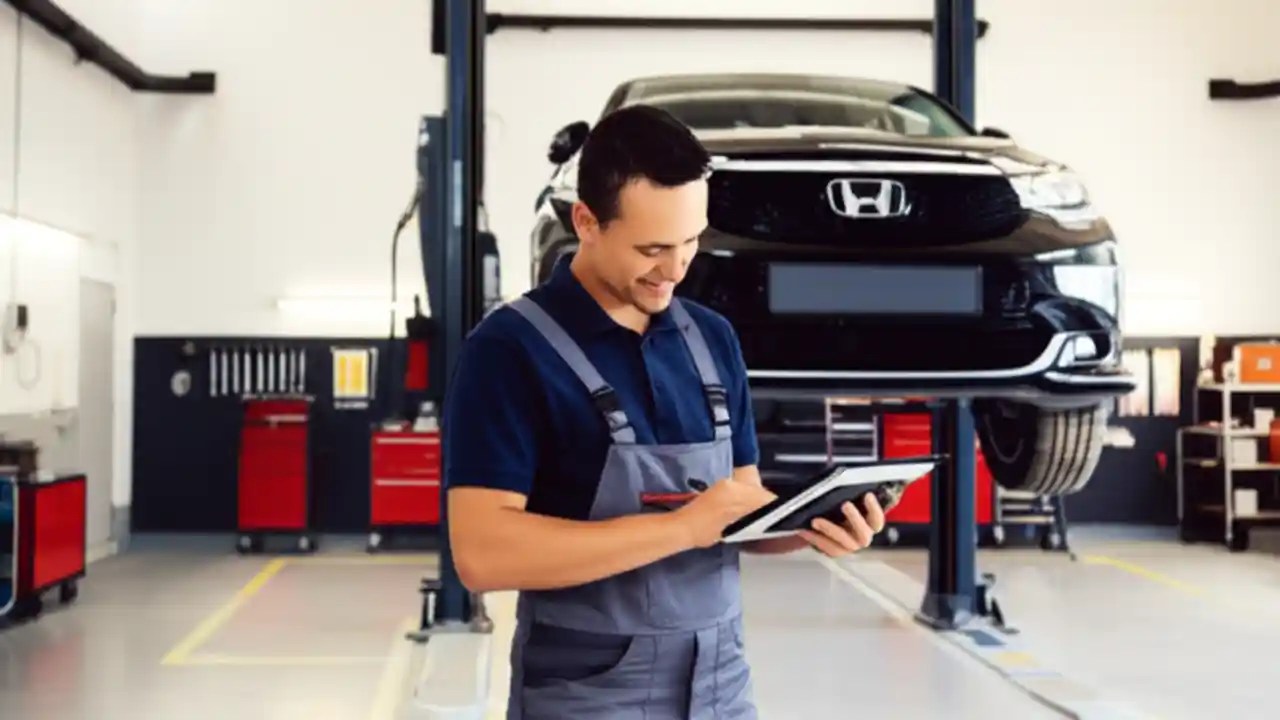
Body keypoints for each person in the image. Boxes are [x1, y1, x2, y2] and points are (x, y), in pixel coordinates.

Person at [443, 104, 889, 720]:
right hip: (588, 691)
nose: (677, 268)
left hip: (720, 682)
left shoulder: (712, 340)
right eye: (652, 248)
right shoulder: (509, 351)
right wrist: (682, 528)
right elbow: (483, 554)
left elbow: (737, 506)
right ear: (586, 222)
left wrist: (805, 527)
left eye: (691, 241)